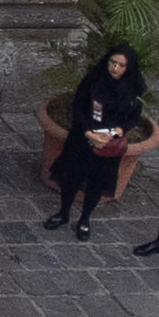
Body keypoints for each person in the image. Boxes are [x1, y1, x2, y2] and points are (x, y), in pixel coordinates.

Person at [53, 46, 145, 237]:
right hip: (83, 136)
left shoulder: (134, 89)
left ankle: (85, 219)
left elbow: (133, 118)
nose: (116, 68)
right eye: (113, 62)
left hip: (108, 143)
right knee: (71, 177)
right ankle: (63, 213)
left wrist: (115, 132)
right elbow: (78, 107)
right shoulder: (94, 80)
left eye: (121, 65)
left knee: (96, 182)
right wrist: (88, 133)